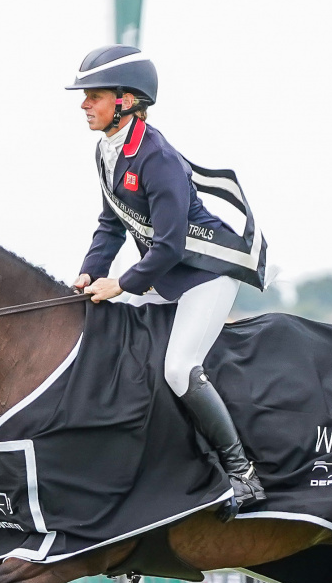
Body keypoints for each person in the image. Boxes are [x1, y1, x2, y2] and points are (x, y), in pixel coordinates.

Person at [65, 45, 267, 512]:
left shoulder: (156, 158)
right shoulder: (108, 150)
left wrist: (119, 284)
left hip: (205, 276)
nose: (83, 105)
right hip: (163, 274)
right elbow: (112, 223)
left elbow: (172, 245)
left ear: (125, 100)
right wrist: (91, 272)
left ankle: (244, 474)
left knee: (178, 368)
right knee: (101, 327)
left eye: (92, 95)